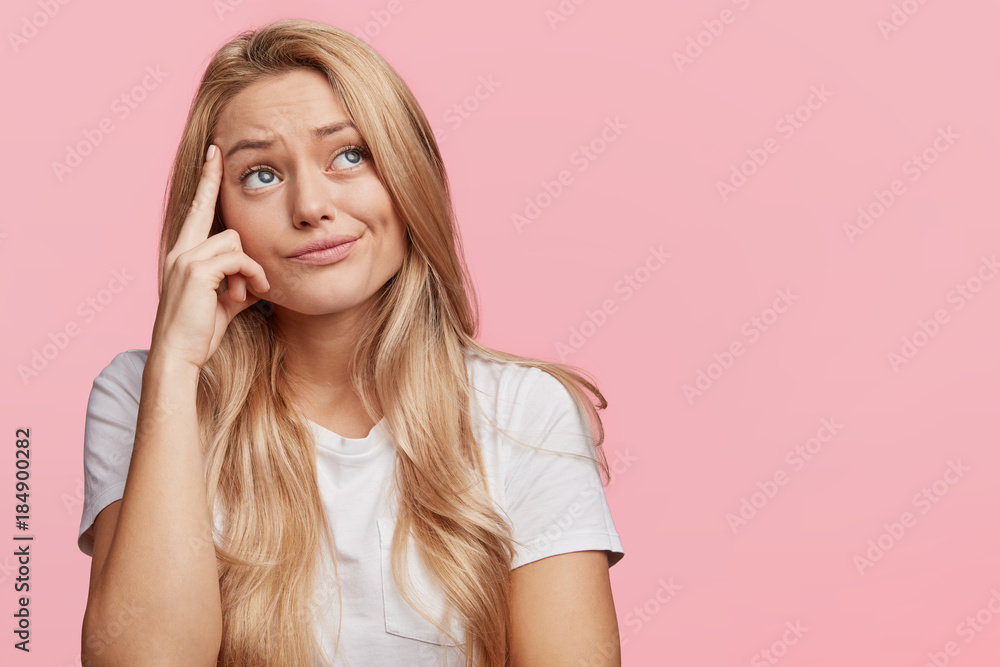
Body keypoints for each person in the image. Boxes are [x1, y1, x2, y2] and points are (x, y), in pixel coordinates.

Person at [77, 18, 624, 667]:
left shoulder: (525, 411)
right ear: (215, 218)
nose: (311, 204)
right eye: (260, 174)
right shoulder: (141, 391)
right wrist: (175, 366)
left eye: (349, 154)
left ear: (407, 172)